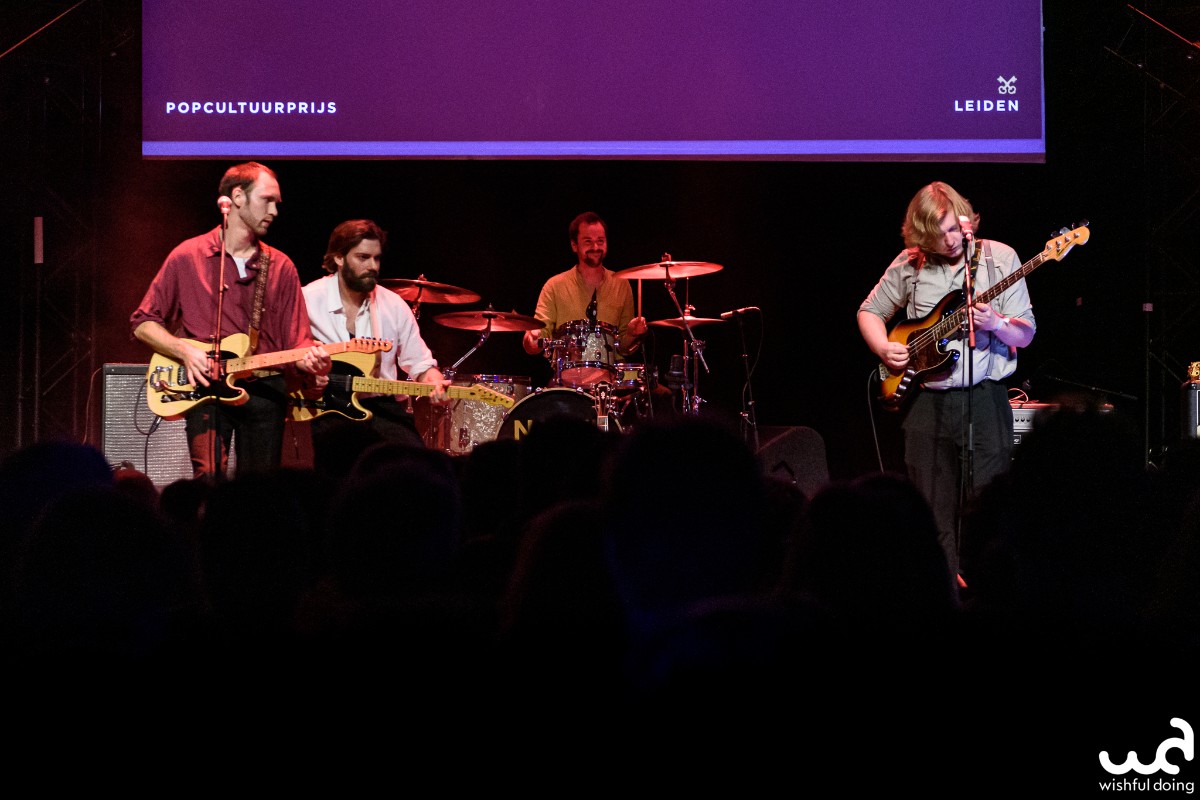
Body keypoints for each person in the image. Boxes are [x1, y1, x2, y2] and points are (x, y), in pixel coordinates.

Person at [857, 182, 1036, 578]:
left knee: (989, 510)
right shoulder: (910, 263)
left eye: (955, 229)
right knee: (929, 511)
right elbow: (869, 311)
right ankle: (942, 603)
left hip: (986, 400)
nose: (951, 240)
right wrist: (884, 349)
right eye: (939, 237)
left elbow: (1025, 334)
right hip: (926, 402)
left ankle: (988, 597)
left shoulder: (999, 257)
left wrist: (997, 322)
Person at [131, 162, 331, 479]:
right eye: (266, 200)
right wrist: (186, 352)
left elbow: (299, 342)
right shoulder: (188, 255)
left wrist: (315, 363)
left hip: (266, 388)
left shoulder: (281, 266)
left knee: (260, 488)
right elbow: (144, 323)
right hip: (205, 386)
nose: (274, 211)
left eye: (276, 203)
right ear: (237, 197)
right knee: (208, 476)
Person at [302, 219, 448, 457]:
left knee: (415, 462)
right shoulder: (308, 299)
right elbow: (289, 353)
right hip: (328, 407)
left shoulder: (393, 305)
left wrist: (435, 382)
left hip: (381, 406)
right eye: (363, 257)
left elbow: (421, 365)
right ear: (339, 258)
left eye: (377, 258)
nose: (373, 266)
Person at [521, 212, 648, 371]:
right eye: (588, 241)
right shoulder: (554, 286)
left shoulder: (622, 284)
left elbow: (623, 348)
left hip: (611, 380)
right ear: (574, 245)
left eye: (600, 241)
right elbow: (536, 344)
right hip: (566, 381)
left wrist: (631, 335)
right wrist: (531, 338)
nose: (595, 247)